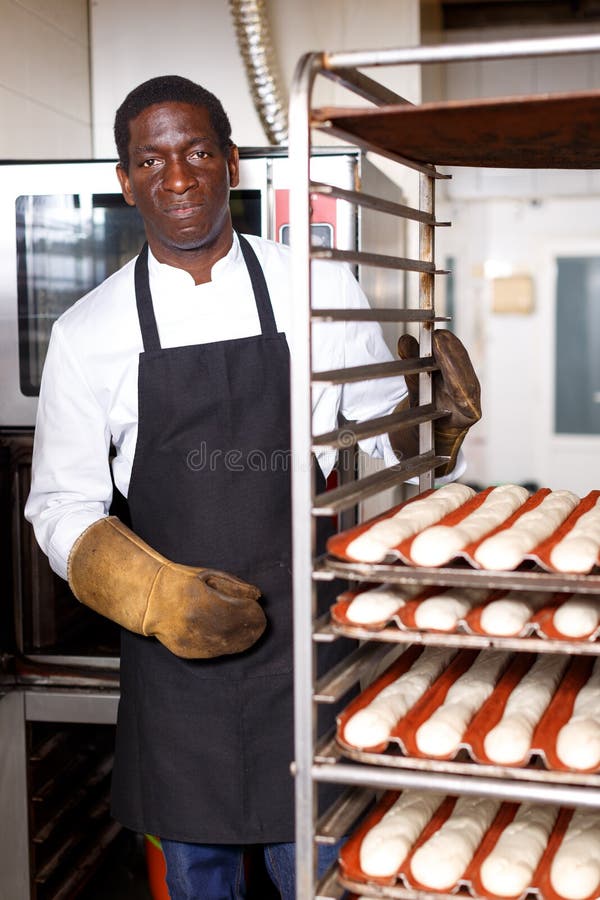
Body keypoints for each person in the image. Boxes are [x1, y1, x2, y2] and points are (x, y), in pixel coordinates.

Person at [25, 75, 480, 899]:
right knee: (197, 881)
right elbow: (61, 505)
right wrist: (154, 596)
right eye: (151, 160)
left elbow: (382, 429)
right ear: (126, 180)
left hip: (305, 650)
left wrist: (430, 430)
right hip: (176, 663)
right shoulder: (88, 331)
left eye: (198, 152)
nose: (177, 178)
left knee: (319, 876)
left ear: (231, 163)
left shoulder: (316, 285)